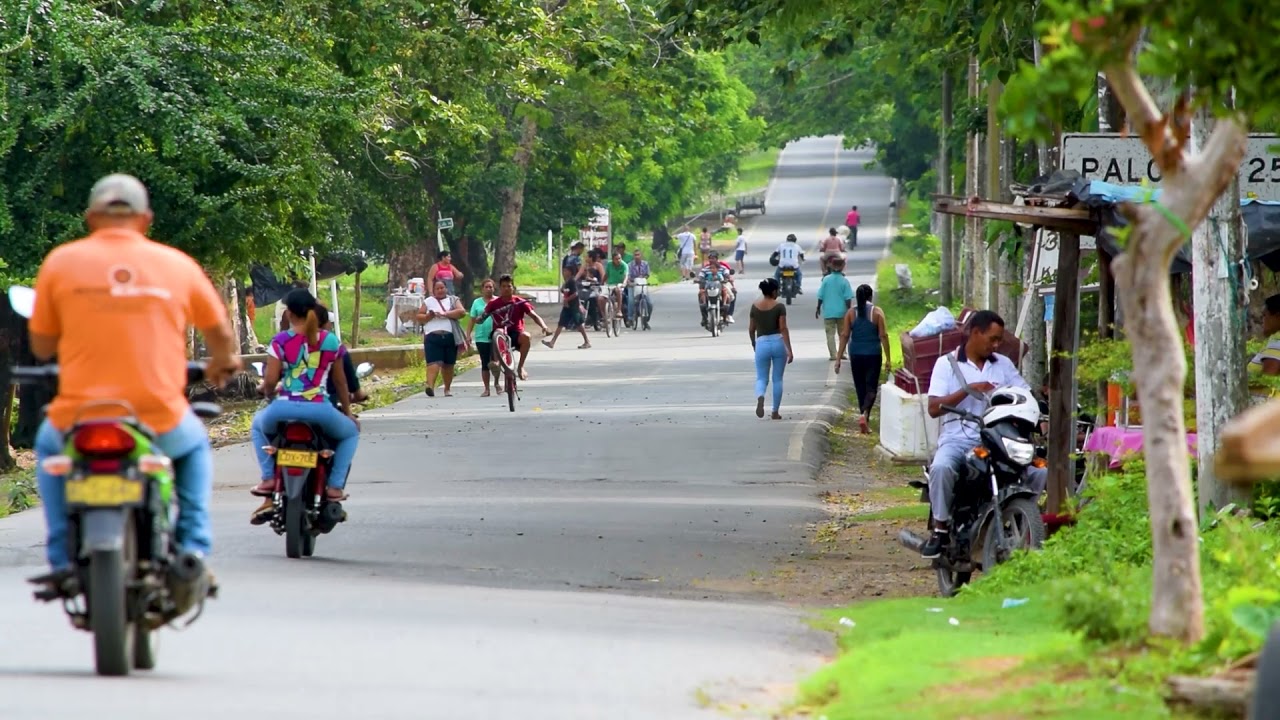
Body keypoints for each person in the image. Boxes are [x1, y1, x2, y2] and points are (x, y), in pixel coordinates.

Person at [26, 173, 240, 598]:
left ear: (90, 218)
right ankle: (192, 549)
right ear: (145, 219)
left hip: (80, 415)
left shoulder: (60, 263)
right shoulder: (176, 265)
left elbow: (42, 345)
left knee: (49, 449)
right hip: (157, 415)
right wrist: (224, 362)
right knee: (195, 447)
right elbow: (218, 330)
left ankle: (62, 560)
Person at [919, 310, 1047, 559]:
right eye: (993, 338)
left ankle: (1028, 523)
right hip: (958, 438)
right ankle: (941, 528)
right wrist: (969, 390)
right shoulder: (947, 364)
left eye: (999, 340)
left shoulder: (1003, 365)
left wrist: (1038, 414)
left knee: (1040, 471)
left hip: (999, 438)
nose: (996, 345)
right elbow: (934, 408)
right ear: (975, 333)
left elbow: (1025, 393)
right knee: (941, 468)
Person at [250, 289, 360, 504]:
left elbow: (271, 380)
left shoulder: (280, 341)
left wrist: (266, 390)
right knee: (350, 433)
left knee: (257, 426)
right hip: (321, 409)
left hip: (283, 408)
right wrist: (348, 413)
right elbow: (340, 382)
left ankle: (269, 478)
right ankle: (335, 486)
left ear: (289, 313)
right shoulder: (331, 342)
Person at [835, 284, 892, 435]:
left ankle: (863, 415)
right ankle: (865, 414)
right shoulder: (877, 312)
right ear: (870, 296)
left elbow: (844, 335)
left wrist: (838, 358)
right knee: (871, 387)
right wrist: (888, 358)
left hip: (855, 354)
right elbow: (883, 336)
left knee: (860, 386)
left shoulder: (850, 313)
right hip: (873, 354)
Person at [477, 275, 551, 381]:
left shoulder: (519, 302)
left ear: (513, 288)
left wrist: (544, 327)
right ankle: (496, 363)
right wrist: (479, 319)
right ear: (500, 288)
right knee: (499, 331)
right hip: (499, 335)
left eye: (509, 286)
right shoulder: (493, 304)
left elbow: (534, 316)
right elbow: (483, 316)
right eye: (503, 286)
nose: (506, 289)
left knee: (526, 336)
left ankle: (520, 367)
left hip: (516, 333)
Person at [748, 278, 793, 420]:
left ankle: (760, 395)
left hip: (762, 343)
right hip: (778, 342)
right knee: (777, 379)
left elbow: (751, 329)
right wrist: (789, 349)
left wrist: (754, 343)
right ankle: (775, 411)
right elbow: (783, 328)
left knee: (761, 378)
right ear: (773, 291)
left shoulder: (755, 306)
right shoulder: (779, 306)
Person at [417, 279, 467, 397]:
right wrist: (429, 316)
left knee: (449, 364)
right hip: (432, 336)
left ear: (446, 288)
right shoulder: (428, 301)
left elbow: (462, 312)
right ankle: (430, 386)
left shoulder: (453, 300)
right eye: (437, 288)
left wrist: (446, 314)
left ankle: (447, 389)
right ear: (433, 290)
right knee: (433, 363)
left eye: (442, 288)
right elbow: (419, 316)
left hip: (450, 336)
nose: (440, 290)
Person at [316, 304, 368, 406]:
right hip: (323, 403)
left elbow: (275, 379)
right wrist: (347, 410)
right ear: (326, 322)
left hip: (288, 405)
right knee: (350, 422)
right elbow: (340, 380)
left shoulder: (285, 341)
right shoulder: (332, 342)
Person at [543, 267, 592, 350]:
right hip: (567, 307)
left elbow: (575, 294)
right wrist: (563, 290)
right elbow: (565, 291)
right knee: (561, 323)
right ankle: (552, 342)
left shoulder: (572, 281)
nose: (564, 272)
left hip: (573, 306)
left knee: (579, 324)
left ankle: (587, 341)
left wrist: (567, 300)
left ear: (570, 272)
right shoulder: (567, 281)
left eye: (565, 271)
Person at [815, 256, 853, 360]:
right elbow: (848, 298)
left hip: (828, 312)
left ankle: (833, 354)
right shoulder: (844, 281)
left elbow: (820, 295)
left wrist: (818, 307)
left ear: (830, 266)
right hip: (842, 312)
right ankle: (843, 353)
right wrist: (850, 311)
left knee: (830, 334)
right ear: (842, 267)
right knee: (843, 333)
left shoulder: (825, 280)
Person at [468, 278, 498, 396]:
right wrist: (468, 335)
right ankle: (487, 388)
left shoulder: (498, 301)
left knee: (495, 362)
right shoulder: (477, 303)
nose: (489, 289)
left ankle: (496, 383)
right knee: (485, 362)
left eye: (491, 287)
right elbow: (471, 320)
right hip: (481, 337)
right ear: (482, 289)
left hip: (496, 335)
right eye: (486, 287)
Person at [698, 251, 734, 328]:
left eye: (713, 258)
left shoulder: (723, 268)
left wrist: (728, 278)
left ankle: (727, 313)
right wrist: (699, 280)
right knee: (700, 294)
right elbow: (701, 276)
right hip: (709, 287)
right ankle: (704, 317)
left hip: (720, 286)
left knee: (729, 293)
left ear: (717, 259)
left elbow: (727, 274)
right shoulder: (705, 269)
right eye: (710, 258)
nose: (711, 260)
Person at [575, 248, 607, 326]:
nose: (585, 258)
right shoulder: (585, 265)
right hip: (587, 286)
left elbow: (603, 276)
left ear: (591, 257)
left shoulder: (598, 265)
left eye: (587, 256)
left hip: (597, 286)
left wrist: (599, 283)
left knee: (595, 299)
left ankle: (600, 317)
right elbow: (578, 275)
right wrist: (572, 282)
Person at [1250, 293, 1280, 376]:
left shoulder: (1277, 342)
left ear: (1278, 316)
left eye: (1264, 315)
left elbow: (1268, 382)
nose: (1261, 321)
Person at [625, 249, 651, 325]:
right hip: (633, 284)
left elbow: (647, 274)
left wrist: (642, 277)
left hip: (642, 284)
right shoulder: (629, 265)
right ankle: (630, 318)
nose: (637, 257)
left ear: (641, 256)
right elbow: (628, 276)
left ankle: (646, 318)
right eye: (635, 255)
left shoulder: (645, 264)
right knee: (631, 301)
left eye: (638, 255)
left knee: (649, 303)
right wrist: (630, 282)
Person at [605, 250, 629, 318]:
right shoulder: (609, 264)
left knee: (618, 289)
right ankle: (604, 316)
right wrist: (602, 282)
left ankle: (619, 310)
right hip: (610, 284)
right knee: (601, 298)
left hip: (619, 284)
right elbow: (606, 274)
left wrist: (624, 283)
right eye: (616, 259)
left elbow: (626, 276)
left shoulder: (624, 265)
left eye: (619, 258)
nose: (618, 260)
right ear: (613, 259)